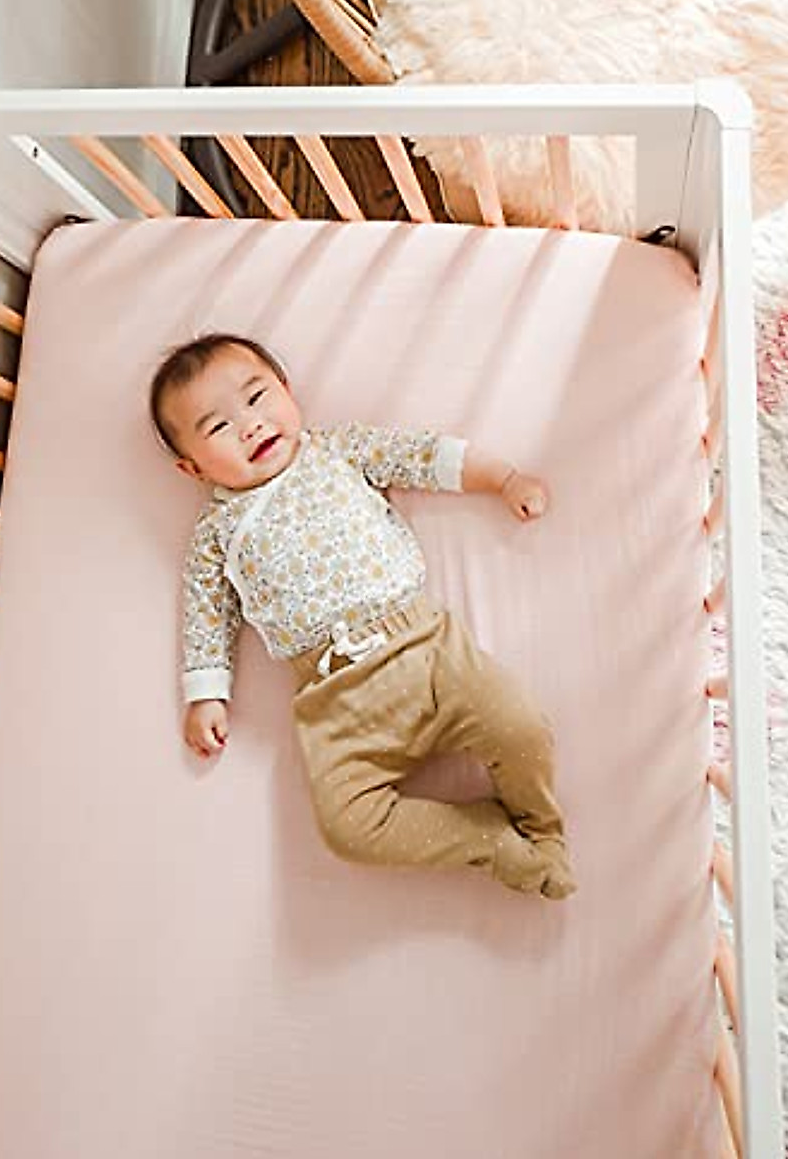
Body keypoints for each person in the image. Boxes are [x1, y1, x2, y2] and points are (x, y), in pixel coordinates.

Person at [151, 333, 575, 899]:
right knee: (349, 828)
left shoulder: (337, 451)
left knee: (521, 726)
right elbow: (206, 612)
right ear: (191, 467)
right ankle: (490, 840)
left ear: (287, 389)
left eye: (256, 398)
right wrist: (206, 695)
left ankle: (540, 830)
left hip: (427, 650)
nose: (250, 426)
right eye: (219, 427)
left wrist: (502, 478)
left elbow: (419, 456)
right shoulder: (215, 533)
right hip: (335, 697)